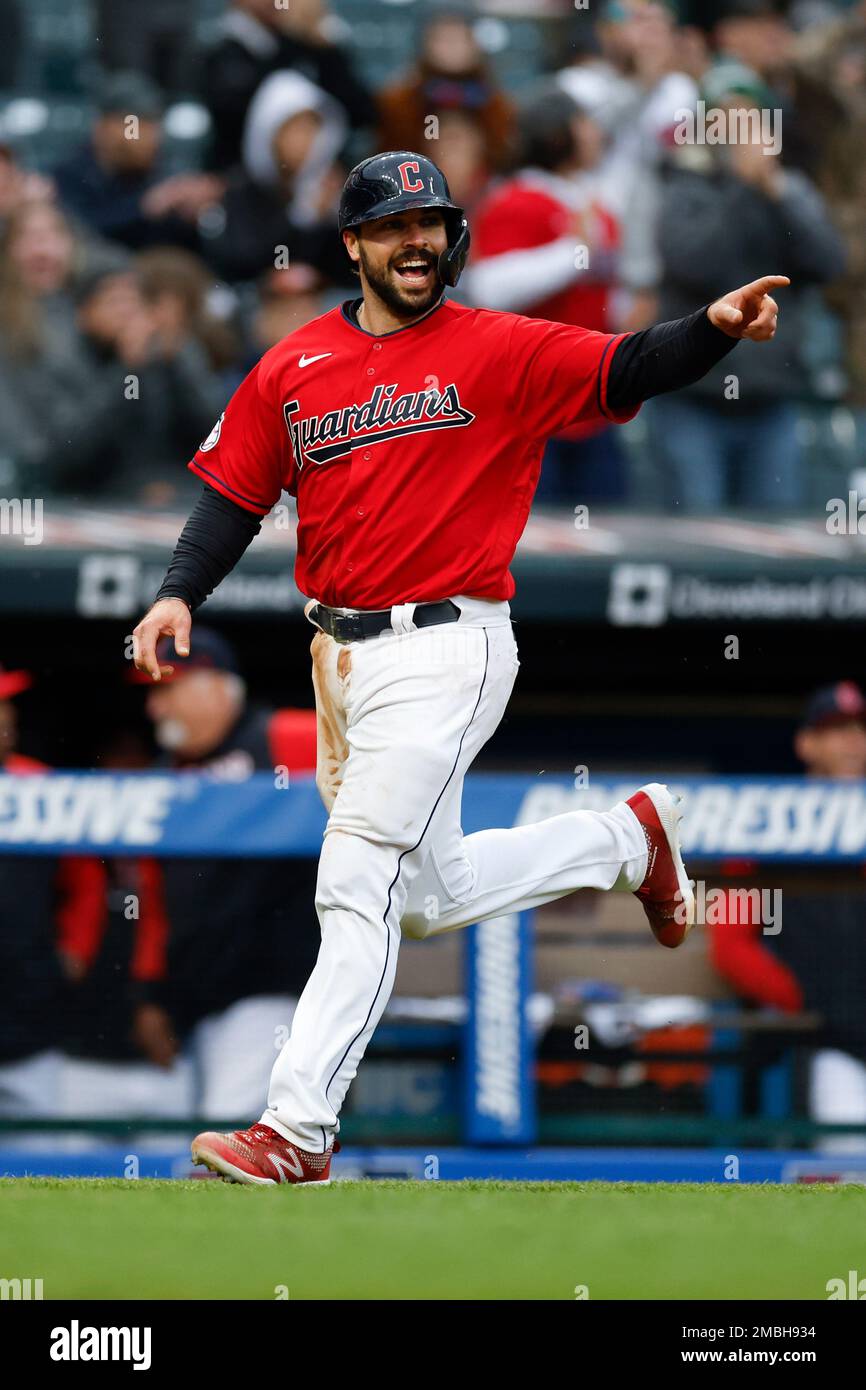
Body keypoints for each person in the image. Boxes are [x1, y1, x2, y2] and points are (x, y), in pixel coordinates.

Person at [132, 148, 787, 1186]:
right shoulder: (294, 364)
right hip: (338, 658)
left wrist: (708, 330)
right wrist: (176, 591)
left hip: (448, 643)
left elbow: (624, 365)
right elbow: (232, 495)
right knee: (423, 895)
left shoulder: (494, 347)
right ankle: (626, 838)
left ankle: (295, 1130)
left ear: (450, 237)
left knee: (354, 875)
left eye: (429, 223)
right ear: (352, 244)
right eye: (391, 227)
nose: (415, 241)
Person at [710, 682, 866, 1150]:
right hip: (831, 1042)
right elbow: (730, 944)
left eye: (859, 728)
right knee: (849, 1160)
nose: (851, 740)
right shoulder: (769, 823)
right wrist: (802, 998)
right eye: (835, 730)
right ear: (806, 744)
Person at [470, 86, 627, 503]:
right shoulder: (518, 199)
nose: (594, 134)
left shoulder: (593, 199)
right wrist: (572, 255)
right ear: (558, 133)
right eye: (583, 124)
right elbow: (490, 286)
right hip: (533, 404)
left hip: (593, 396)